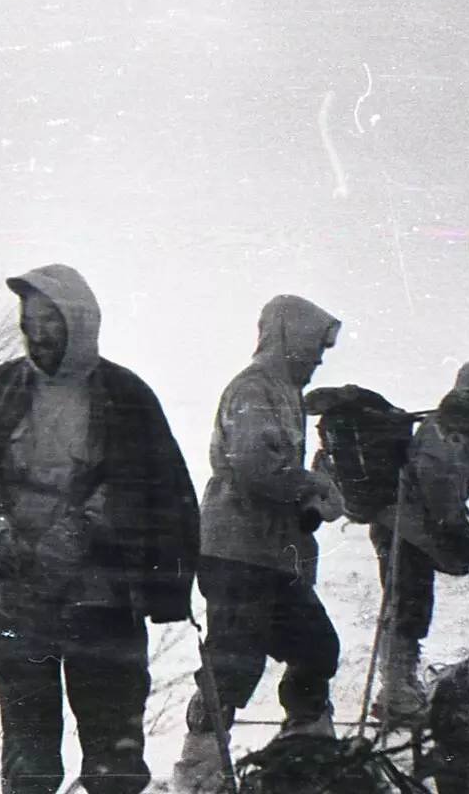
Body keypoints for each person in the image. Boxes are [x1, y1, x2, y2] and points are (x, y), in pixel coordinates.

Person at [0, 264, 199, 794]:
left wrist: (84, 529)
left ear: (80, 323)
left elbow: (153, 484)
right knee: (29, 747)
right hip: (13, 593)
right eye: (29, 319)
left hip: (100, 596)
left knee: (113, 746)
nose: (37, 332)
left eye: (51, 321)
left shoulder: (125, 394)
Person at [172, 295, 346, 794]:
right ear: (289, 339)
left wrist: (312, 496)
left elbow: (276, 477)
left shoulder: (283, 392)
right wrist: (313, 485)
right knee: (233, 662)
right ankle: (200, 772)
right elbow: (255, 468)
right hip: (237, 553)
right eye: (314, 347)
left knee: (317, 647)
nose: (318, 359)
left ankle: (307, 748)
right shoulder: (253, 389)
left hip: (270, 555)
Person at [369, 360, 469, 726]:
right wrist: (451, 524)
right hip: (405, 528)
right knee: (408, 603)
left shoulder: (448, 423)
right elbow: (437, 477)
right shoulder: (447, 427)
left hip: (404, 526)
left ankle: (398, 686)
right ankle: (397, 690)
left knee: (407, 601)